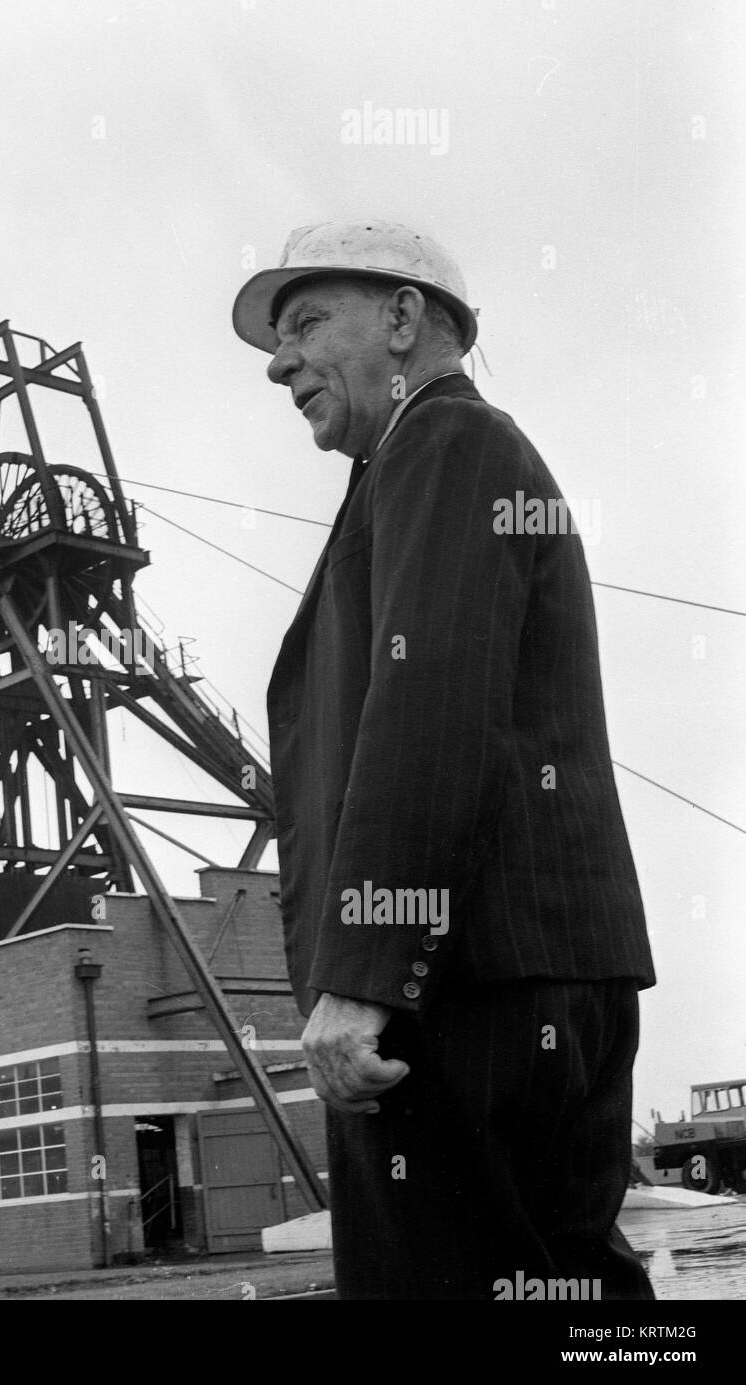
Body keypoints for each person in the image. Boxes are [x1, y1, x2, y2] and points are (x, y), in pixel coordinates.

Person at [233, 220, 656, 1300]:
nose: (279, 361)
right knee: (567, 1290)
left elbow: (430, 704)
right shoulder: (435, 463)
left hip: (469, 986)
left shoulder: (444, 443)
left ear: (406, 320)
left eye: (306, 321)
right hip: (525, 970)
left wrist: (365, 976)